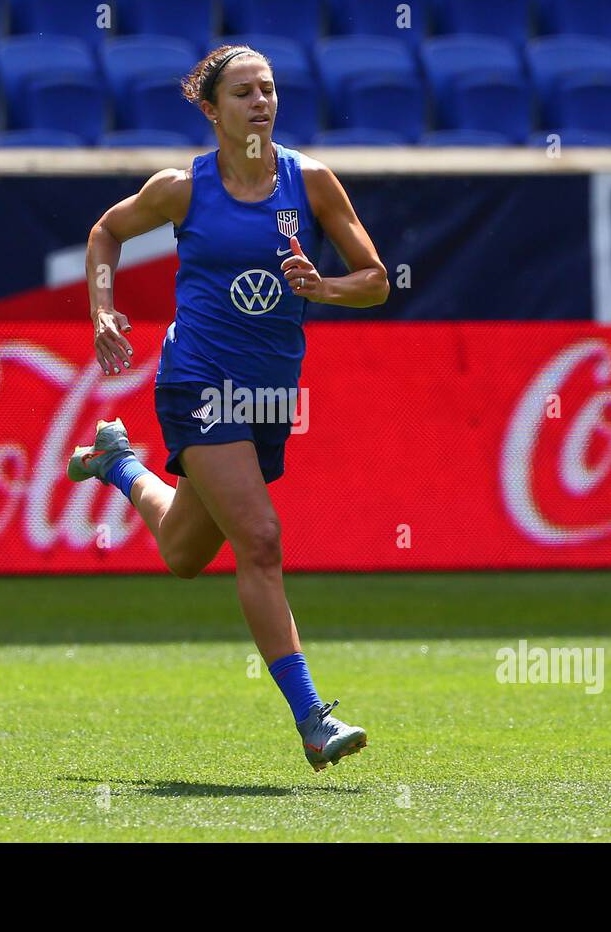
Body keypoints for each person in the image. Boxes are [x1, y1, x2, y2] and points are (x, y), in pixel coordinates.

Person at [68, 45, 389, 771]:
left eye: (269, 90)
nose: (261, 102)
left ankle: (119, 464)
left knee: (184, 553)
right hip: (196, 380)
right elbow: (106, 233)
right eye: (243, 92)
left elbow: (374, 280)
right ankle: (313, 719)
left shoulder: (312, 183)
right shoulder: (183, 189)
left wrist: (324, 289)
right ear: (212, 110)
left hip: (270, 392)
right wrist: (103, 311)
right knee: (262, 540)